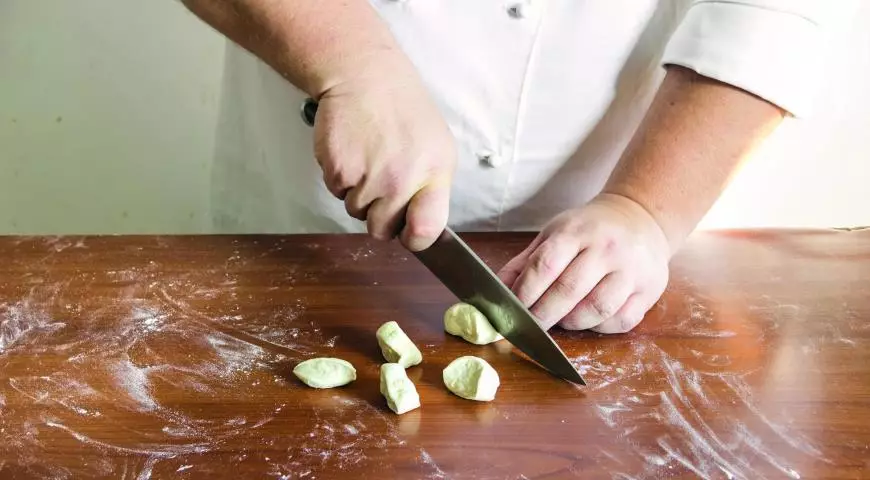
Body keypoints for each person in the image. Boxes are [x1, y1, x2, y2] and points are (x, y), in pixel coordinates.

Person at [180, 0, 843, 334]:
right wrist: (352, 64)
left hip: (622, 239)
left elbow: (772, 12)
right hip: (309, 225)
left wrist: (645, 208)